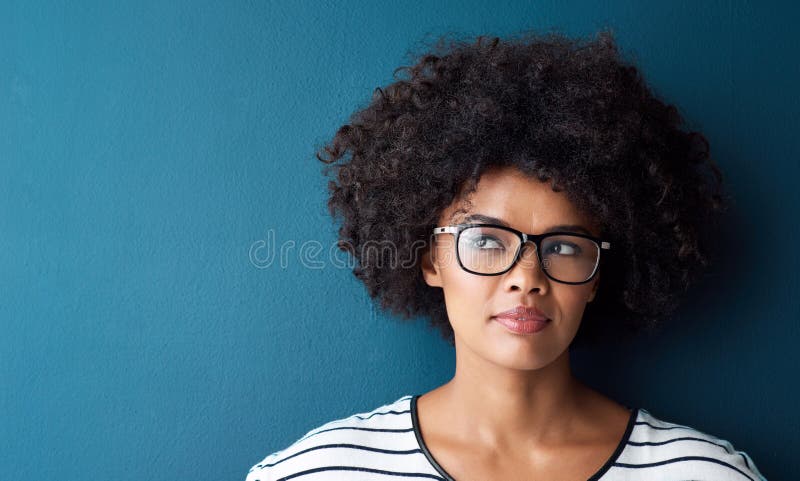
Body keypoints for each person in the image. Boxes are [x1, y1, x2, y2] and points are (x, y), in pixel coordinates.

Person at [245, 29, 768, 481]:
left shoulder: (703, 473)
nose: (527, 278)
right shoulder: (316, 470)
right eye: (487, 241)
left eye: (563, 247)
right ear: (430, 259)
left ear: (596, 275)